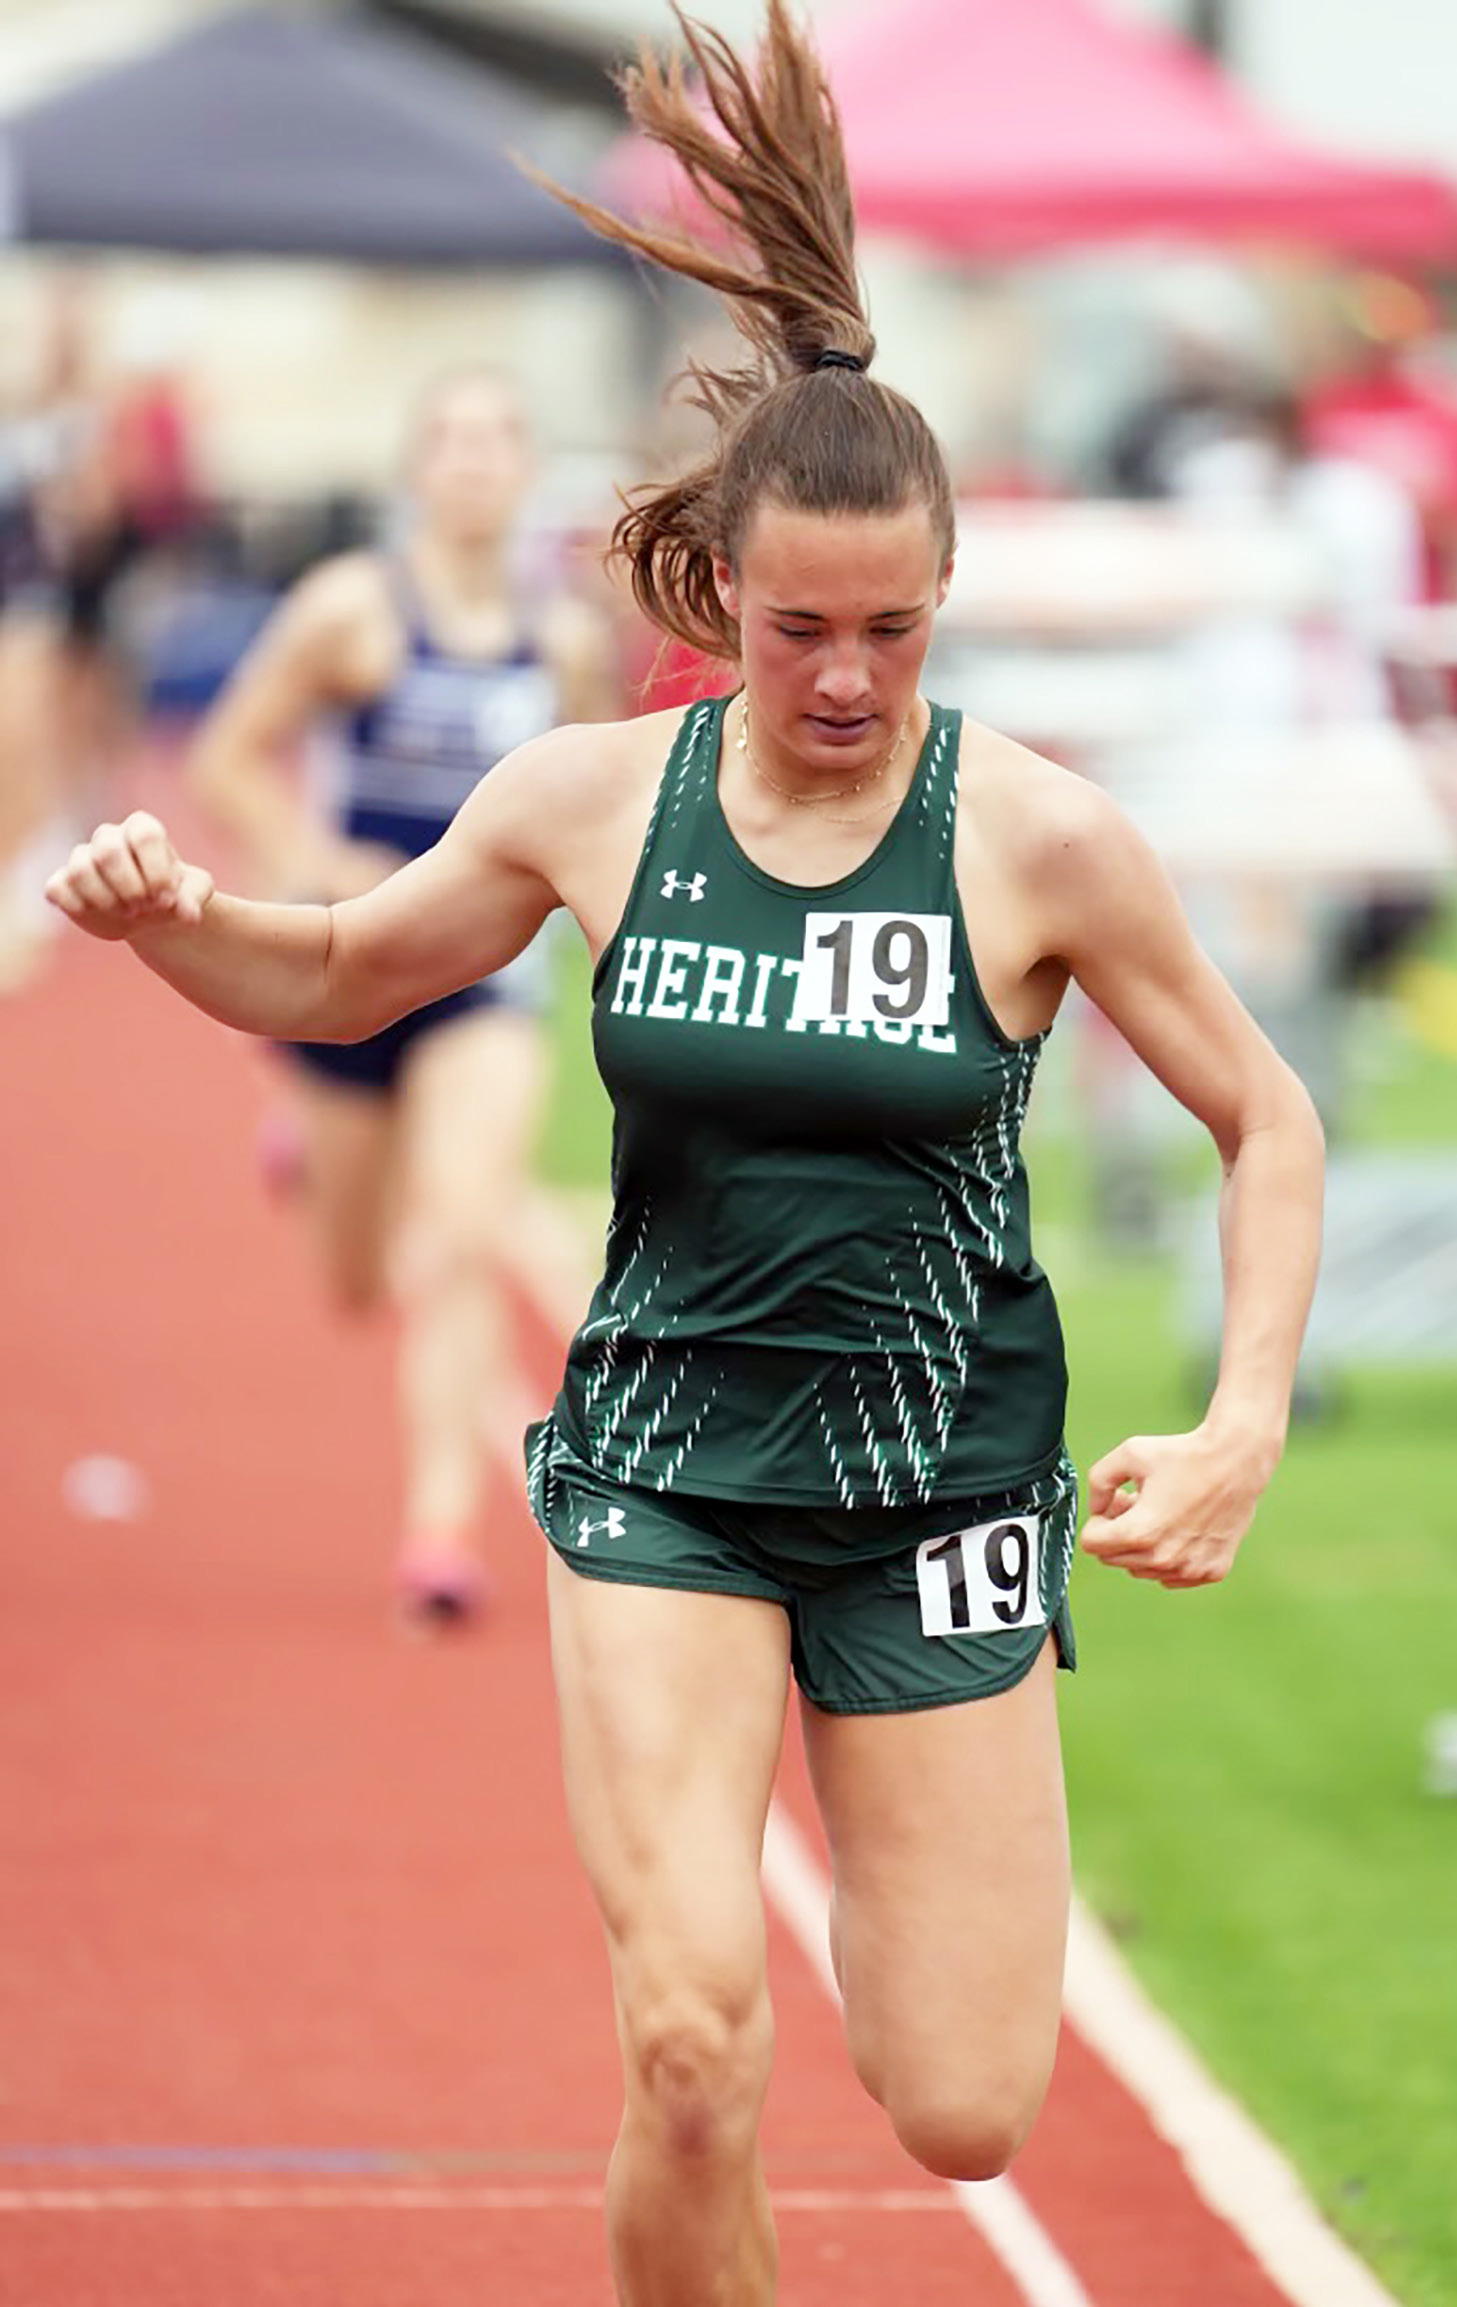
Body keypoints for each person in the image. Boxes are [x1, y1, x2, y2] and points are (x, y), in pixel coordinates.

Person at [46, 6, 1324, 2299]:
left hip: (939, 1486)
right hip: (663, 1456)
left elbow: (1270, 1113)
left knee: (959, 2100)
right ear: (713, 587)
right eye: (799, 626)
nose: (845, 676)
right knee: (691, 2041)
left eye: (895, 630)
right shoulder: (594, 802)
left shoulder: (1037, 838)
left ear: (947, 599)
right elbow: (343, 967)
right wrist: (180, 922)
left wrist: (1239, 1417)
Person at [186, 367, 616, 1622]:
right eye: (450, 441)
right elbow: (227, 754)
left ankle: (439, 1526)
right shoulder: (353, 611)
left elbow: (598, 807)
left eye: (497, 441)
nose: (474, 463)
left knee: (469, 1232)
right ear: (418, 468)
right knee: (356, 1281)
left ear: (525, 467)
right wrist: (321, 862)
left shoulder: (565, 640)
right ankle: (312, 1163)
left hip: (483, 987)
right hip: (355, 974)